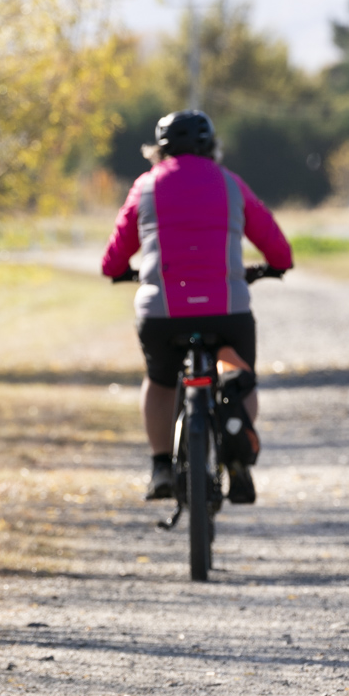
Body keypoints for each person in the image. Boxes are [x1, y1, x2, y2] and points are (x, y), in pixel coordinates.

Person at [102, 110, 293, 503]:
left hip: (162, 314)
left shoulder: (147, 186)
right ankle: (238, 459)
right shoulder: (230, 183)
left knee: (159, 381)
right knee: (240, 374)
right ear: (211, 147)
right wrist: (273, 267)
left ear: (158, 149)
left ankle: (159, 468)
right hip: (227, 310)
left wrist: (123, 272)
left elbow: (114, 257)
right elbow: (278, 248)